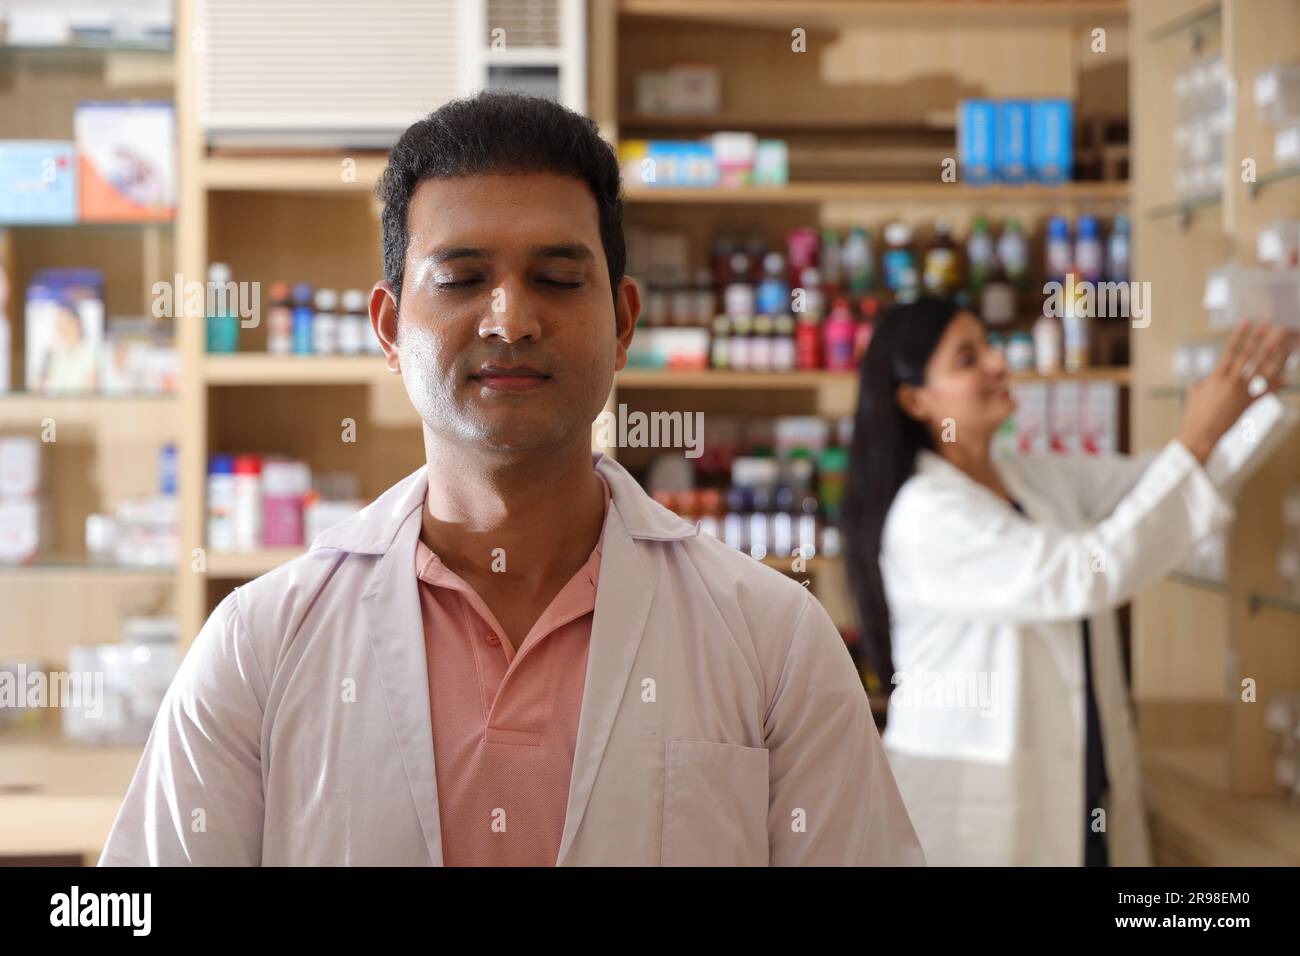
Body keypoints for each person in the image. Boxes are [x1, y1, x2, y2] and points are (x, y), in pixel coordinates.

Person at [99, 91, 923, 867]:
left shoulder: (773, 642)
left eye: (559, 280)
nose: (511, 319)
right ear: (389, 329)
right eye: (461, 280)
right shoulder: (258, 646)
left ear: (624, 321)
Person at [843, 296, 1298, 866]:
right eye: (967, 358)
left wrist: (1256, 403)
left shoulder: (1032, 477)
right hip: (974, 805)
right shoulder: (926, 513)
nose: (996, 362)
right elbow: (1082, 574)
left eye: (989, 345)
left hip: (1079, 789)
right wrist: (1195, 440)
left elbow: (1168, 486)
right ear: (914, 399)